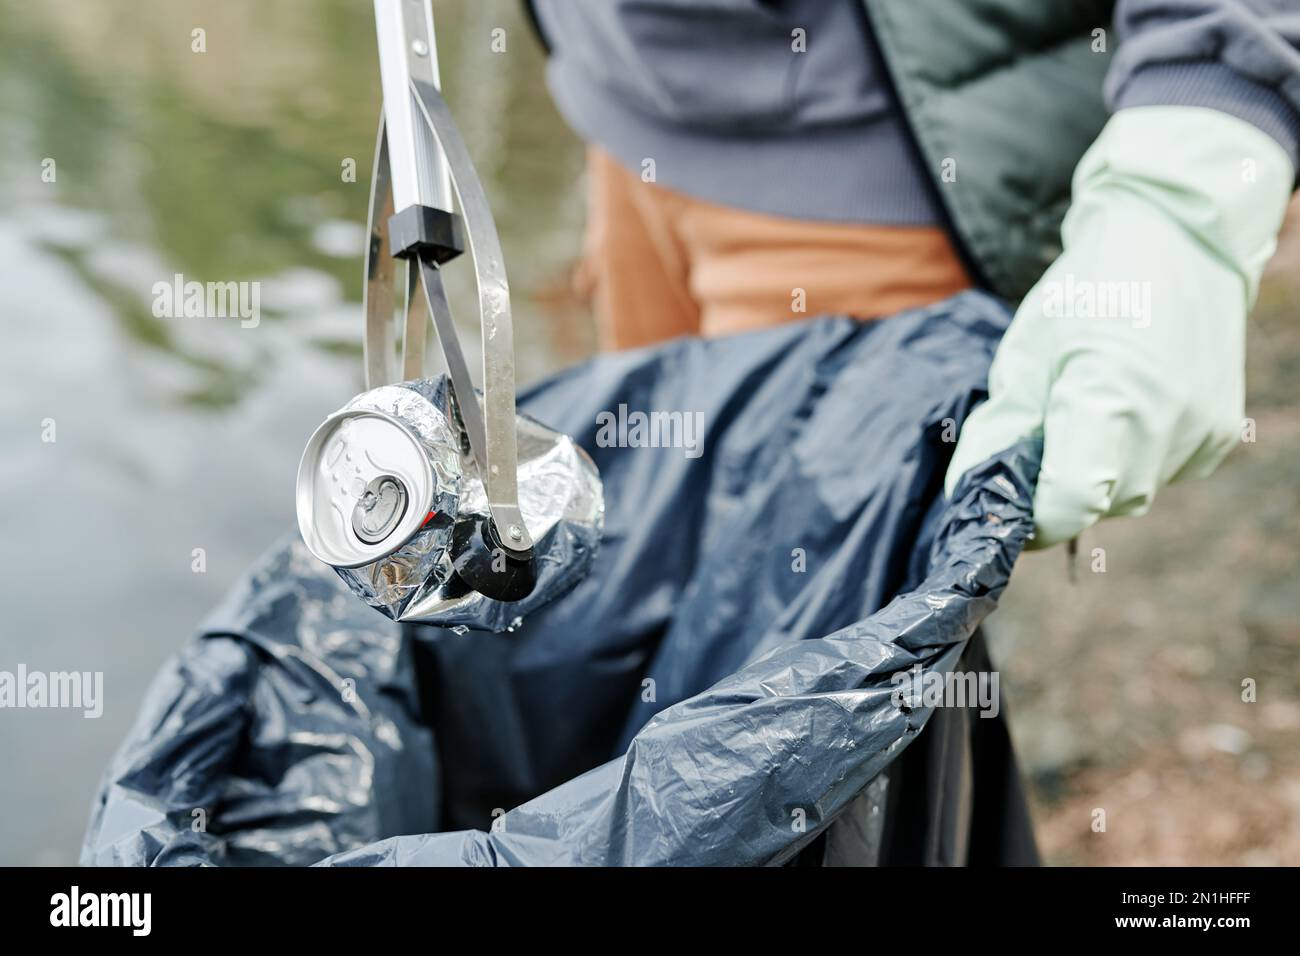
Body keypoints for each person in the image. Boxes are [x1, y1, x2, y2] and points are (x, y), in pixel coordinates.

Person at [526, 0, 1300, 548]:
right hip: (619, 110)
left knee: (802, 643)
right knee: (635, 531)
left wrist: (1205, 135)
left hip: (876, 176)